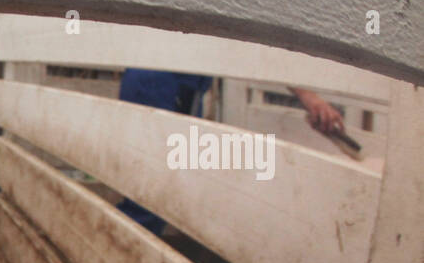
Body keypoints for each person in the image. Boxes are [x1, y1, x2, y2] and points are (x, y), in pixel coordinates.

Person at [113, 70, 344, 235]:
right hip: (162, 81)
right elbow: (258, 41)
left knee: (161, 196)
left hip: (185, 87)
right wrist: (309, 97)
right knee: (151, 198)